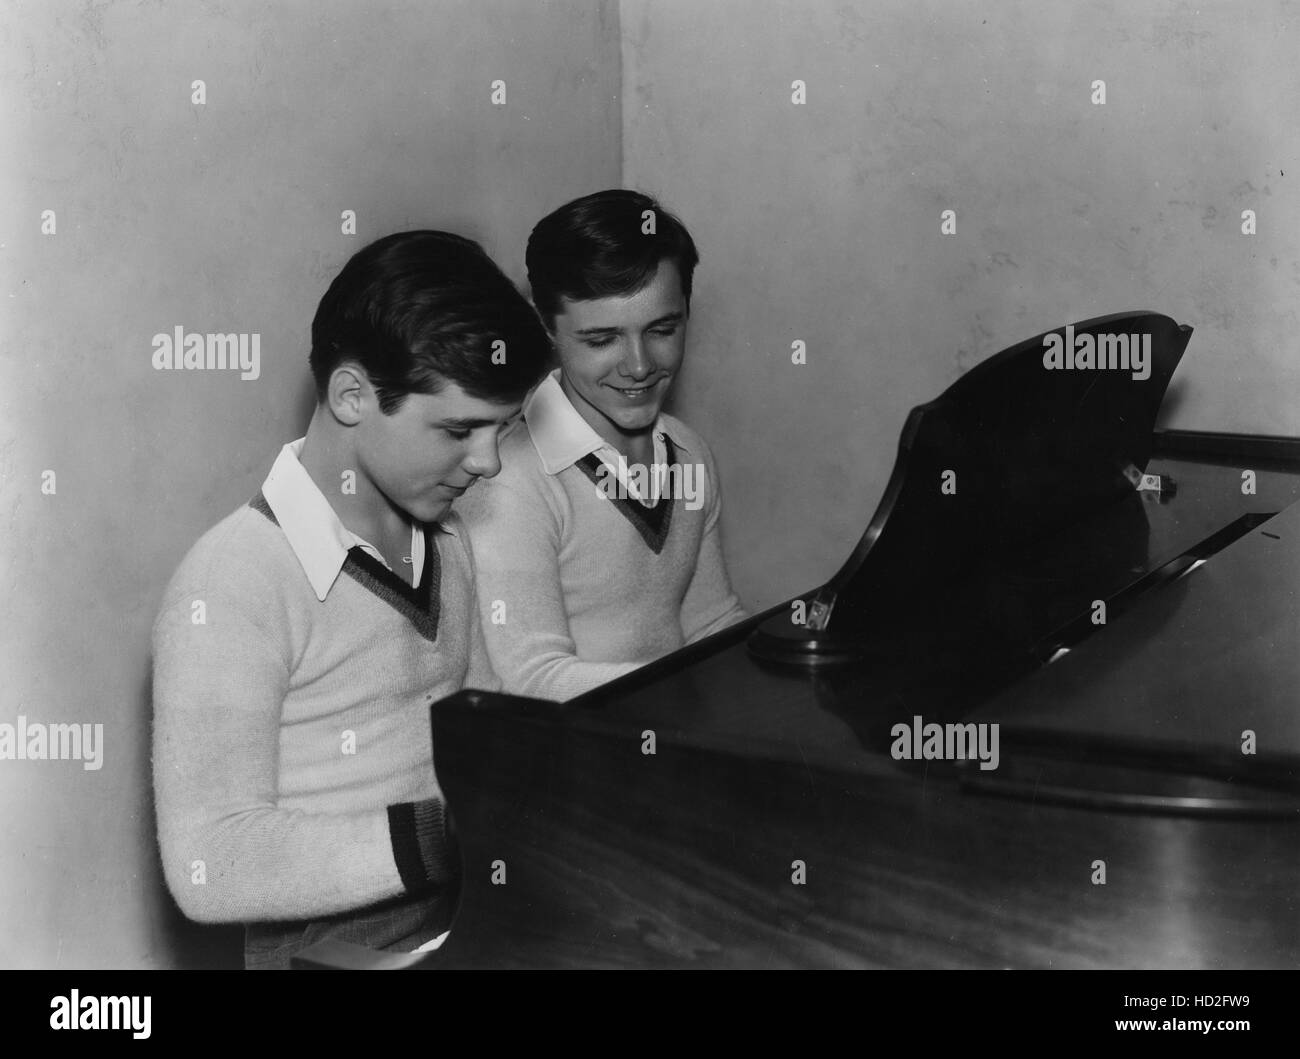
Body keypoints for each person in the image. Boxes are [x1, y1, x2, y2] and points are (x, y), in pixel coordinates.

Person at [151, 230, 551, 968]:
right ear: (352, 395)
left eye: (505, 429)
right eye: (460, 429)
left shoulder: (447, 536)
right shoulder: (232, 579)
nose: (489, 462)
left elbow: (485, 733)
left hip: (468, 922)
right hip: (331, 952)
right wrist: (438, 838)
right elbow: (206, 863)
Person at [457, 190, 748, 702]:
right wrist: (688, 695)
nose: (639, 365)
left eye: (662, 329)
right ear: (545, 324)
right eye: (601, 340)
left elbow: (711, 622)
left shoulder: (688, 450)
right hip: (573, 756)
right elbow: (531, 679)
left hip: (670, 733)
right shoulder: (506, 481)